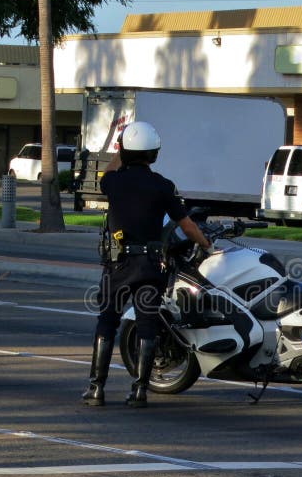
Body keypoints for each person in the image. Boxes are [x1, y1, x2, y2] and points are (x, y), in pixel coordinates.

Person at [82, 121, 211, 408]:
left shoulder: (114, 183)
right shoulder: (162, 185)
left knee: (107, 321)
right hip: (151, 265)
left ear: (125, 151)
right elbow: (187, 225)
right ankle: (140, 390)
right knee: (147, 326)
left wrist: (120, 147)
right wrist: (207, 245)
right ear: (154, 154)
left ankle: (96, 389)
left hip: (119, 265)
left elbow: (108, 172)